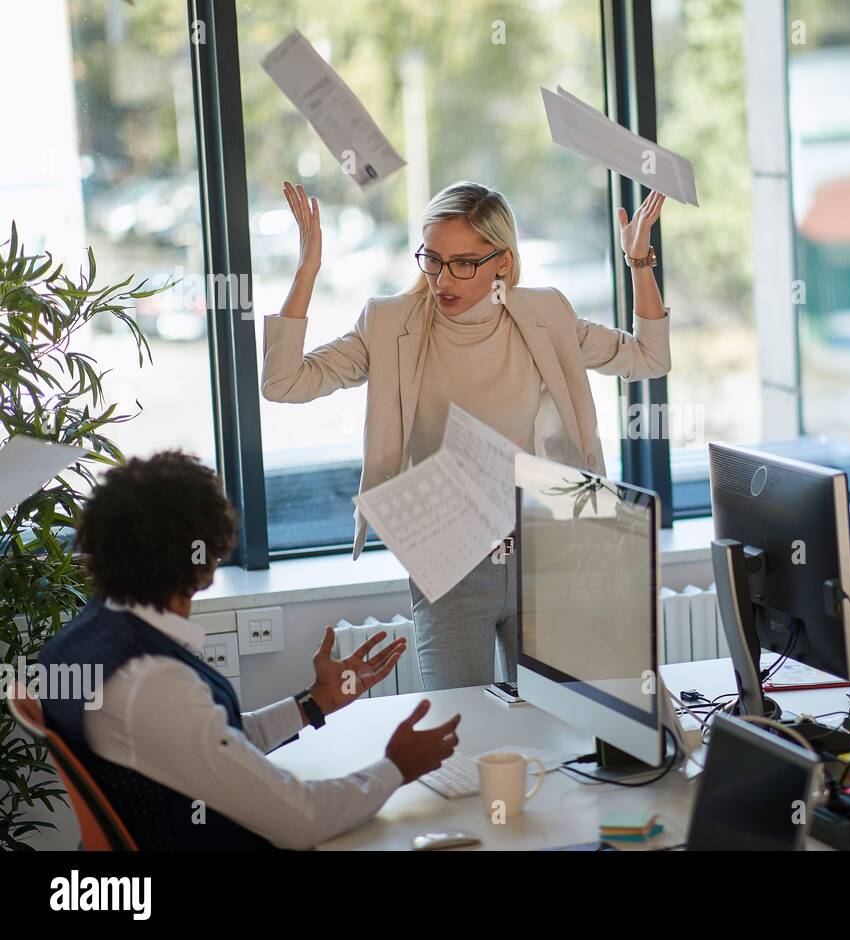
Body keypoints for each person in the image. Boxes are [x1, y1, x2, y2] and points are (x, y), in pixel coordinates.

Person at [261, 180, 672, 691]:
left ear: (502, 260)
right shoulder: (390, 325)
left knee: (556, 728)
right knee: (458, 729)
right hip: (449, 562)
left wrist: (640, 264)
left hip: (546, 555)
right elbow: (283, 383)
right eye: (431, 259)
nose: (442, 278)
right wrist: (306, 271)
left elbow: (649, 357)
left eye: (463, 262)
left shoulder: (546, 314)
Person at [38, 452, 461, 850]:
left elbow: (218, 744)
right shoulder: (152, 682)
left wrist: (317, 702)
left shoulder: (86, 637)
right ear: (205, 562)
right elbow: (303, 820)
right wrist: (397, 768)